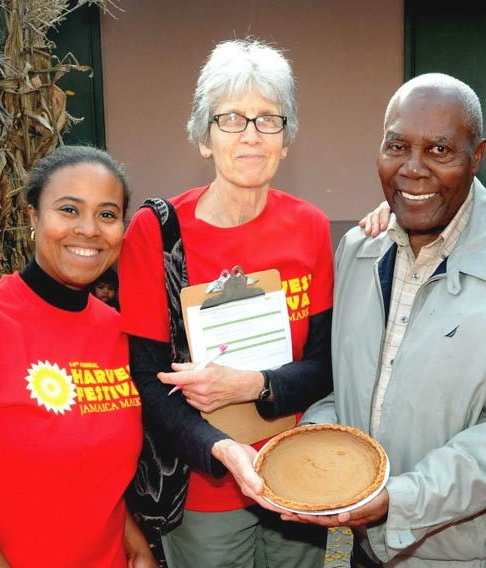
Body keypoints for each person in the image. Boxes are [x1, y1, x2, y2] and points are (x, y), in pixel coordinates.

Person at [290, 73, 486, 567]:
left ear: (477, 156)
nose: (412, 170)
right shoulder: (359, 250)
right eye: (397, 146)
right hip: (367, 545)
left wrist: (398, 501)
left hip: (474, 553)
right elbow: (347, 388)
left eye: (440, 150)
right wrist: (311, 450)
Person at [118, 38, 333, 568]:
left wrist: (255, 386)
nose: (252, 136)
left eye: (268, 120)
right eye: (232, 119)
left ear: (287, 140)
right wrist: (221, 449)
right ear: (204, 138)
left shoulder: (310, 226)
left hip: (295, 472)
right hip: (204, 484)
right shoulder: (157, 232)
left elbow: (328, 364)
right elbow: (146, 377)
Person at [0, 146, 156, 567]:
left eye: (107, 214)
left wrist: (134, 542)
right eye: (69, 209)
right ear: (33, 218)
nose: (90, 229)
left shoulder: (117, 330)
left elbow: (94, 472)